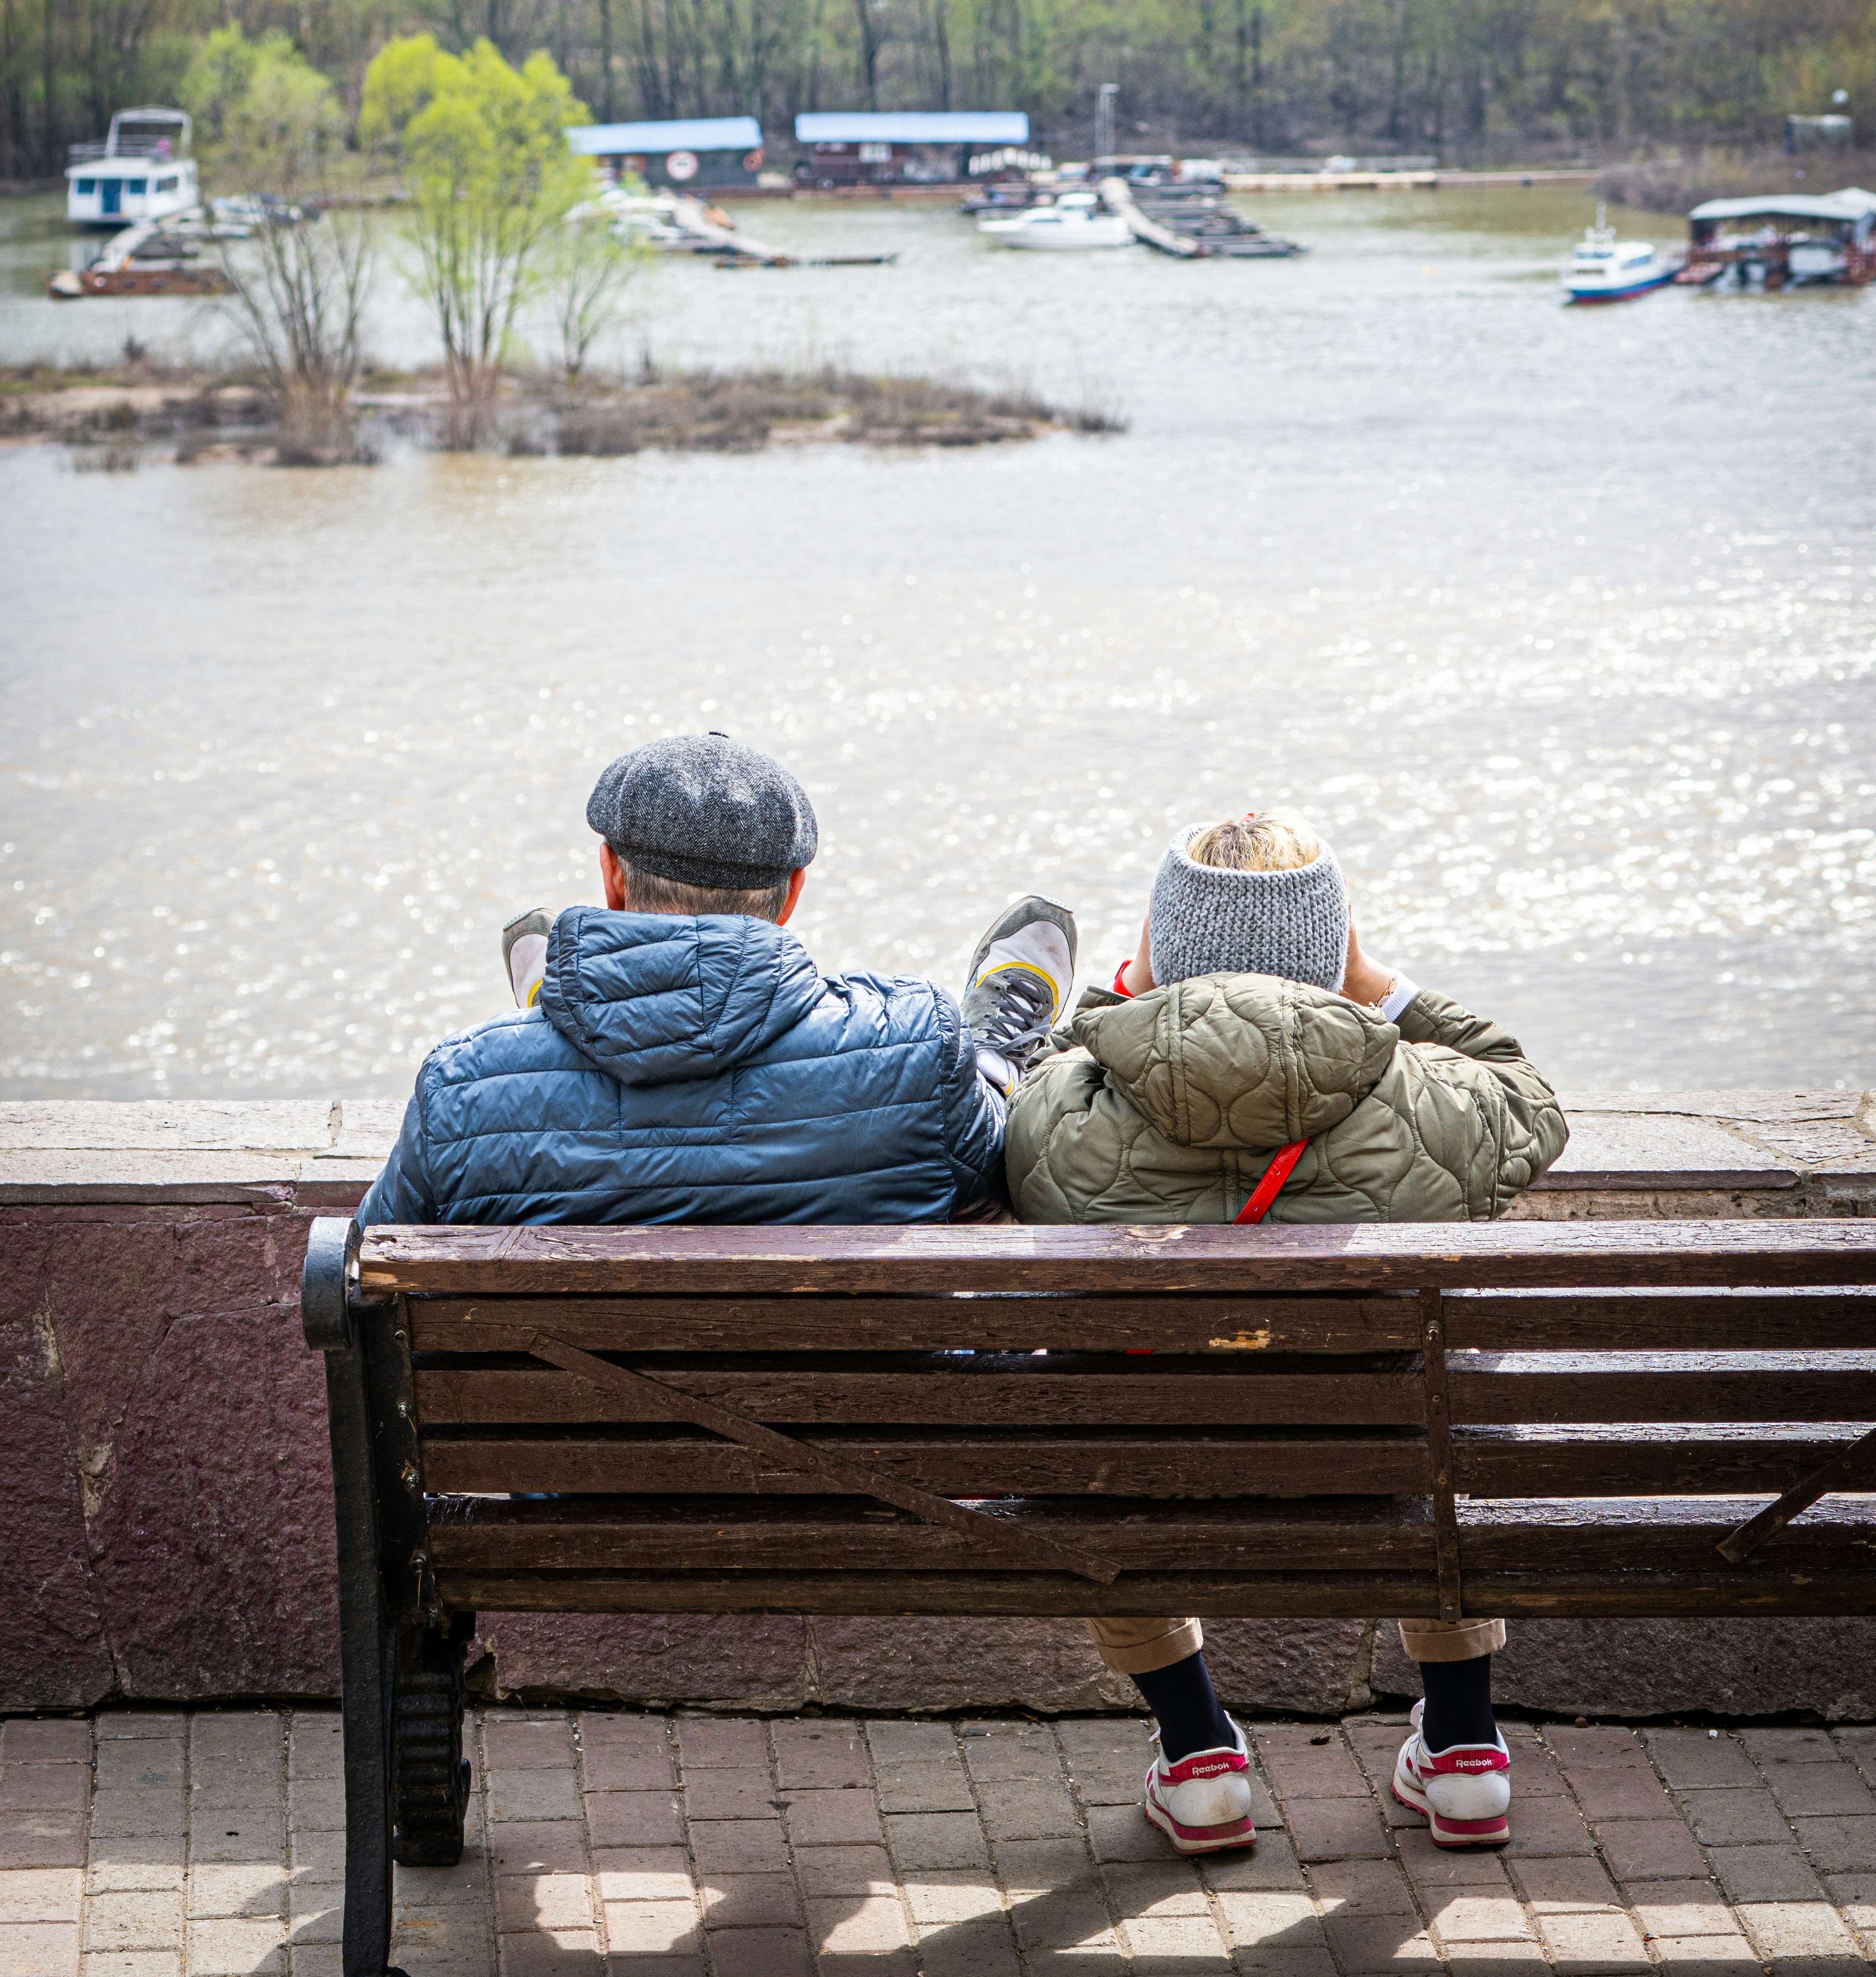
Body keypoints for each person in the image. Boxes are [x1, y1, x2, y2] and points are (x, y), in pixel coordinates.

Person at [1004, 805, 1568, 1859]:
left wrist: (1126, 998)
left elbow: (1027, 1079)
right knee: (1436, 1405)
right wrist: (1386, 991)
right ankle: (1461, 1750)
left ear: (1160, 950)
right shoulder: (1430, 1104)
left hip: (1140, 1478)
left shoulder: (1063, 1119)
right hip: (1374, 1470)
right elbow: (1530, 1098)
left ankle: (1198, 1753)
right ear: (1331, 955)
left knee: (1083, 1413)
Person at [356, 729, 1078, 1228]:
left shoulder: (459, 1090)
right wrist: (977, 1058)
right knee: (982, 1081)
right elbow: (1009, 1178)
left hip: (560, 1449)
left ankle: (557, 1015)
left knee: (522, 1076)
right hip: (856, 1443)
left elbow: (362, 1275)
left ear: (610, 878)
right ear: (792, 896)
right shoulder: (914, 1052)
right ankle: (998, 1049)